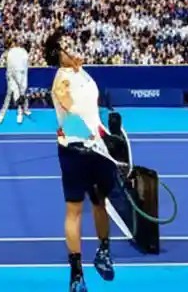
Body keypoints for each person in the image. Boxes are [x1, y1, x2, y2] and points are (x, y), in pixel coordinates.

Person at [51, 36, 115, 292]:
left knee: (101, 203)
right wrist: (84, 136)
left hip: (98, 147)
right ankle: (76, 273)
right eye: (68, 44)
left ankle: (104, 251)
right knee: (74, 210)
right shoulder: (61, 79)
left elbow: (92, 111)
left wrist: (105, 135)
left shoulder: (83, 72)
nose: (75, 45)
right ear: (59, 53)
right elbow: (69, 109)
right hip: (75, 150)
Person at [0, 43, 31, 124]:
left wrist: (22, 82)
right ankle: (1, 115)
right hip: (11, 77)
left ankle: (20, 114)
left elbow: (25, 69)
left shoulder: (23, 56)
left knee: (20, 95)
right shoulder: (10, 55)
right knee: (9, 96)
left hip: (20, 76)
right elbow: (7, 67)